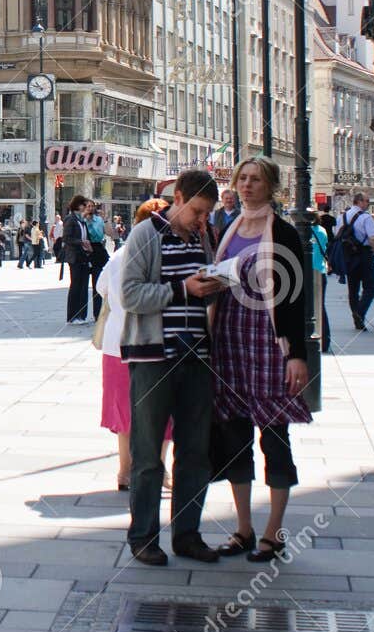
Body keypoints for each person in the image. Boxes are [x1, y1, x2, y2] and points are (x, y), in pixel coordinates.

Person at [208, 156, 313, 564]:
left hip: (270, 345)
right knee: (235, 440)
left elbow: (295, 296)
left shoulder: (283, 232)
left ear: (271, 187)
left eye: (255, 180)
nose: (247, 185)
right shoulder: (227, 228)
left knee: (275, 438)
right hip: (231, 343)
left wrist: (298, 356)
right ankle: (243, 528)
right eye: (243, 179)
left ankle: (275, 531)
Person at [116, 168, 223, 565]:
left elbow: (201, 293)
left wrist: (213, 287)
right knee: (147, 453)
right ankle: (143, 536)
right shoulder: (146, 233)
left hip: (196, 357)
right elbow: (129, 294)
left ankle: (187, 534)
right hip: (153, 358)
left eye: (206, 213)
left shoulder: (202, 237)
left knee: (195, 451)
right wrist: (183, 289)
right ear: (178, 198)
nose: (201, 219)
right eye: (196, 210)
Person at [96, 198, 173, 490]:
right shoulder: (163, 254)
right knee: (163, 411)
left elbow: (101, 288)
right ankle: (161, 469)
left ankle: (125, 472)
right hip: (154, 342)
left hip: (117, 344)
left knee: (125, 411)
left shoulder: (119, 256)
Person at [335, 193, 374, 330]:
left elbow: (337, 235)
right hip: (364, 254)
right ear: (359, 202)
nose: (368, 203)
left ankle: (356, 316)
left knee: (353, 289)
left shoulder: (341, 217)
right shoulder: (366, 217)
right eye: (366, 201)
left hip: (348, 255)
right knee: (370, 287)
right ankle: (359, 313)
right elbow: (372, 238)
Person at [61, 196, 91, 325]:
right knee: (76, 285)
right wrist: (81, 242)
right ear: (78, 206)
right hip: (75, 256)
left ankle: (82, 315)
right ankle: (72, 316)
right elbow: (66, 238)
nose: (87, 208)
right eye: (85, 205)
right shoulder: (70, 219)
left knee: (84, 286)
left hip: (84, 256)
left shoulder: (82, 220)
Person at [310, 210, 332, 355]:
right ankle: (325, 341)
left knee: (308, 308)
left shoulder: (306, 232)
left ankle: (313, 337)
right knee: (320, 306)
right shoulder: (322, 230)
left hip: (308, 271)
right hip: (320, 270)